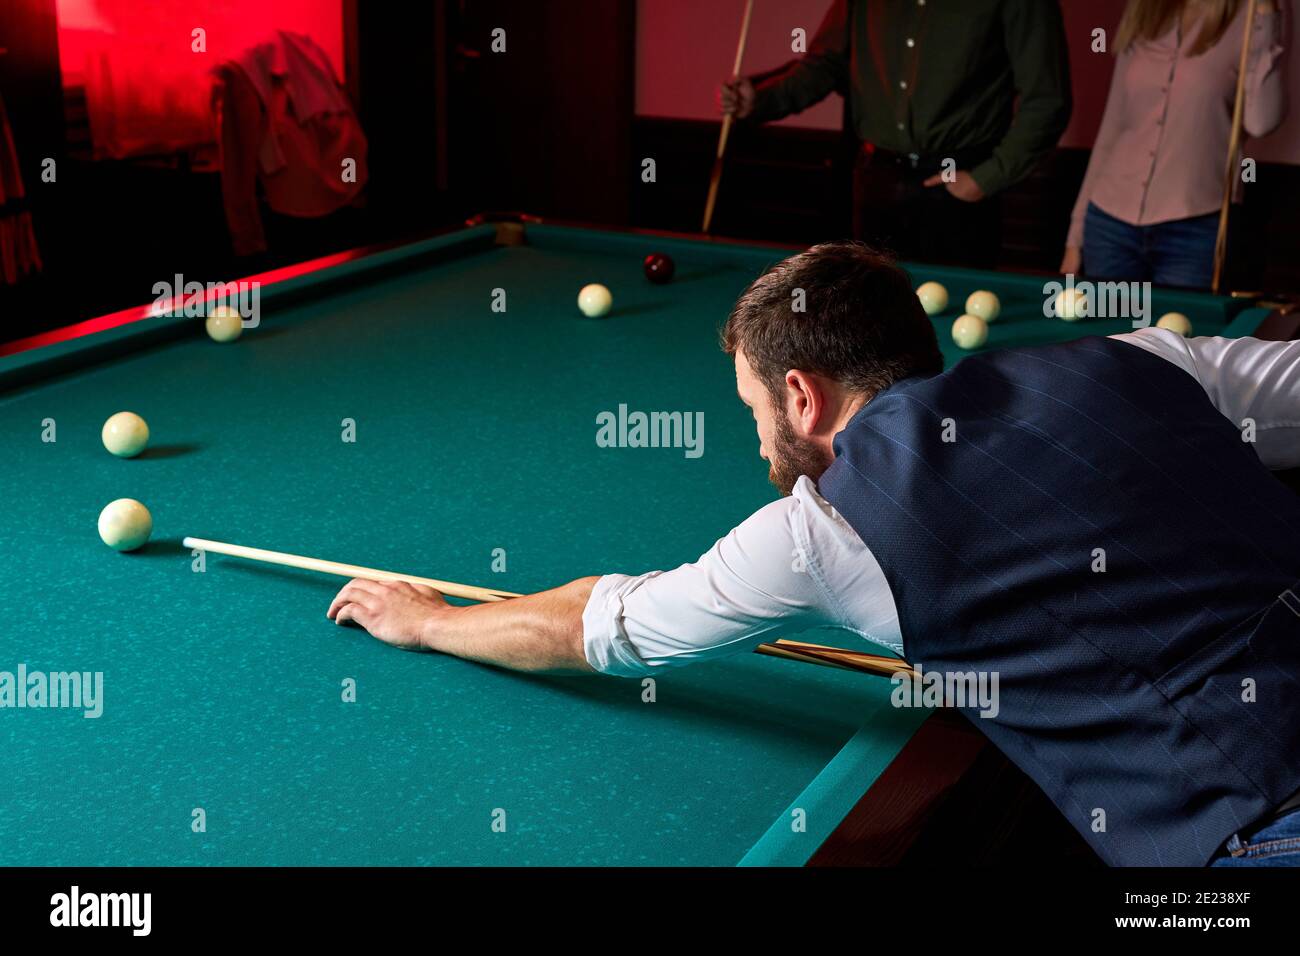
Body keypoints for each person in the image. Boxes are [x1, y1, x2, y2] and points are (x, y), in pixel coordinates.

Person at [328, 241, 1300, 867]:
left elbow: (602, 625)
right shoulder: (1148, 357)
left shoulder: (820, 534)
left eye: (754, 410)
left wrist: (432, 620)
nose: (758, 444)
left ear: (801, 395)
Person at [717, 0, 1072, 268]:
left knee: (953, 326)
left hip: (957, 188)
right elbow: (825, 65)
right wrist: (761, 100)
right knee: (870, 323)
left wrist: (986, 177)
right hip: (876, 179)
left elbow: (1048, 99)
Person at [1062, 0, 1288, 288]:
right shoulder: (1145, 12)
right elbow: (1112, 127)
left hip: (1195, 230)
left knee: (1180, 334)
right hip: (1108, 226)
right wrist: (1076, 234)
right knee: (1109, 333)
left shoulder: (1254, 17)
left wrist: (1267, 16)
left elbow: (1262, 122)